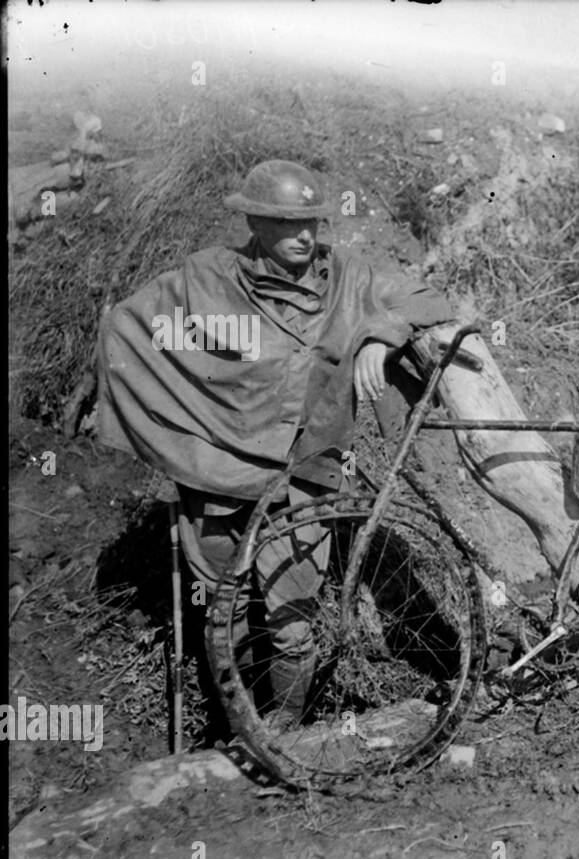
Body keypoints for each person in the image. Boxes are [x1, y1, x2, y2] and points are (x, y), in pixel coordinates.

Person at [97, 159, 452, 729]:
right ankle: (238, 726)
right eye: (288, 224)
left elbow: (427, 299)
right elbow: (125, 328)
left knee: (292, 617)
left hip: (304, 477)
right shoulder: (204, 279)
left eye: (311, 221)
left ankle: (285, 730)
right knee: (224, 609)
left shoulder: (348, 279)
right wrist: (178, 430)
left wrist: (376, 338)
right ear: (256, 223)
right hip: (218, 474)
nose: (305, 236)